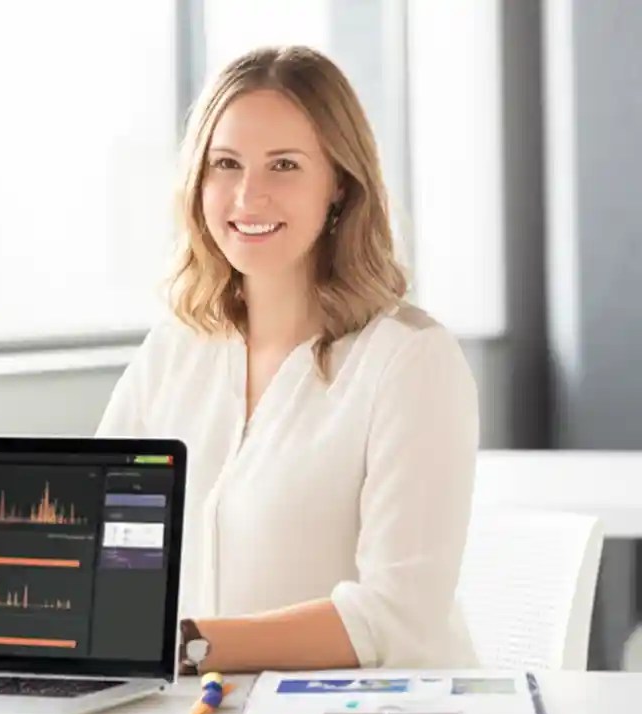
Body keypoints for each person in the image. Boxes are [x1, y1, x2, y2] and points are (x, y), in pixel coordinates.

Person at [96, 45, 479, 672]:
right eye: (226, 163)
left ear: (338, 185)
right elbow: (107, 545)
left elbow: (392, 615)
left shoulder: (410, 361)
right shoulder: (175, 349)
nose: (249, 196)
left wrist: (182, 645)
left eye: (284, 166)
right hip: (195, 703)